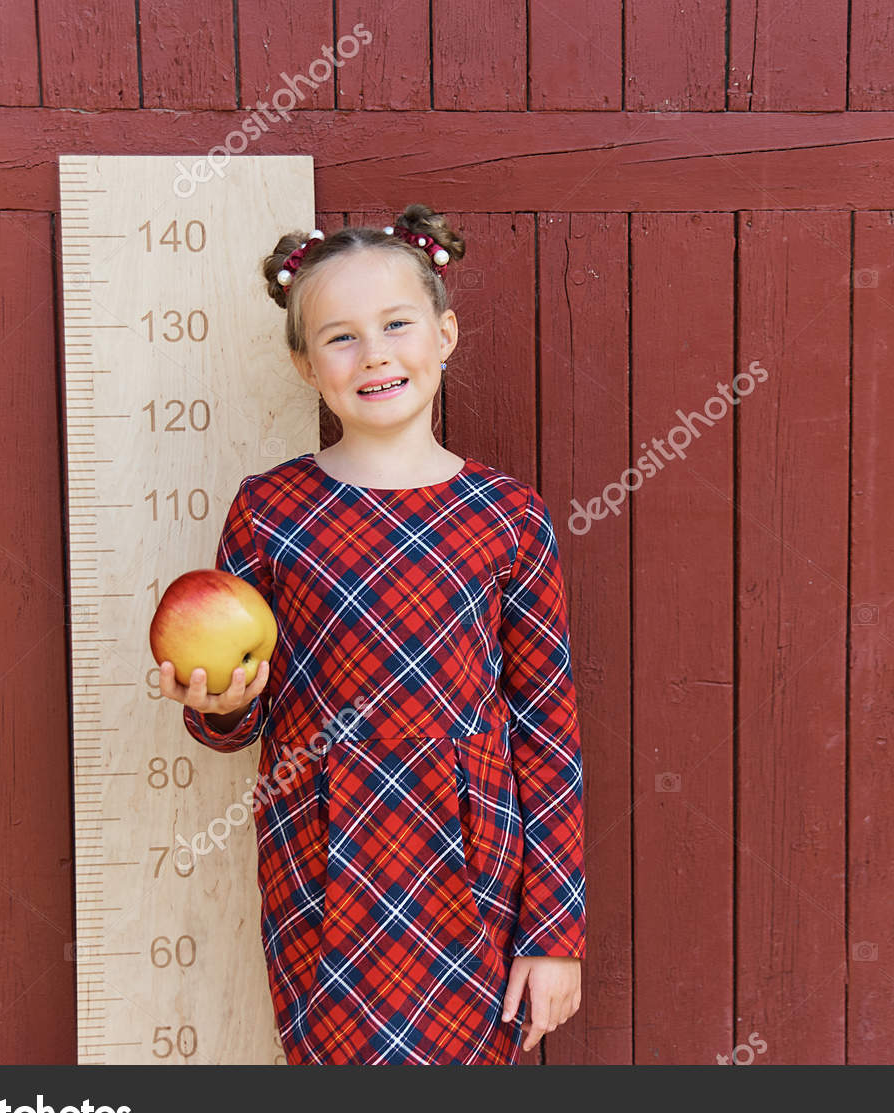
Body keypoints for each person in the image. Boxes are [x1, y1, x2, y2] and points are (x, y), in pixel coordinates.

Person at [156, 204, 585, 1065]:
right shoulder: (270, 511)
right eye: (341, 337)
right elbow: (240, 711)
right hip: (321, 851)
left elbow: (548, 727)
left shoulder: (508, 517)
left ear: (446, 333)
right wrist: (221, 709)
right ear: (303, 363)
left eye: (397, 324)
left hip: (471, 857)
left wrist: (555, 928)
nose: (376, 352)